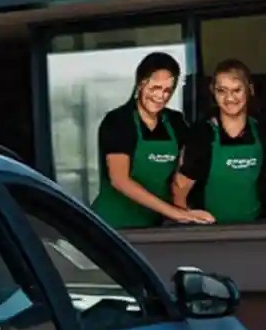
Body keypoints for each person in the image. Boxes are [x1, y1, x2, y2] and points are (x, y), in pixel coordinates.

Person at [90, 52, 216, 229]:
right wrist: (175, 213)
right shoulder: (118, 121)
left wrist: (214, 123)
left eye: (167, 90)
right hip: (113, 226)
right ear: (141, 83)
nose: (161, 96)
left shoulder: (175, 122)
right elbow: (120, 180)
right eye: (155, 88)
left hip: (153, 227)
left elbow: (189, 164)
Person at [173, 59, 266, 224]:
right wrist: (186, 224)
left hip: (257, 230)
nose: (229, 98)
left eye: (237, 90)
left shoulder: (263, 132)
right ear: (213, 91)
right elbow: (179, 188)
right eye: (221, 91)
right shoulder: (202, 136)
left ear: (249, 90)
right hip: (212, 233)